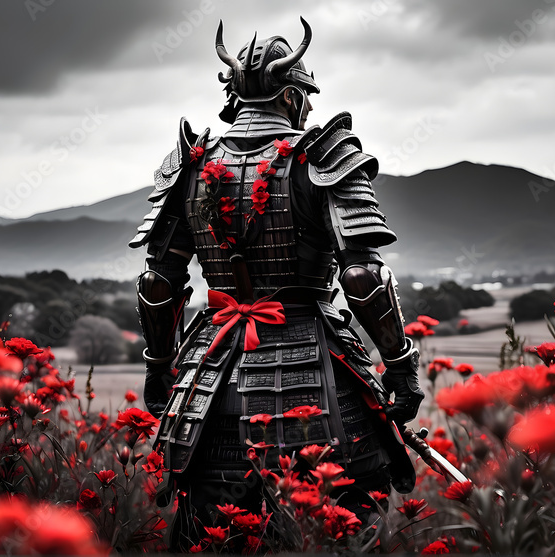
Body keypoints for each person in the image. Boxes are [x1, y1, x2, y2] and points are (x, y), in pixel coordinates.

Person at [129, 18, 424, 548]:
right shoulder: (324, 156)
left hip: (210, 373)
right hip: (315, 358)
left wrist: (159, 369)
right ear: (291, 95)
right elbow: (361, 275)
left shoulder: (191, 163)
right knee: (333, 521)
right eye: (304, 97)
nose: (307, 107)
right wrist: (401, 367)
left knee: (216, 530)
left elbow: (158, 280)